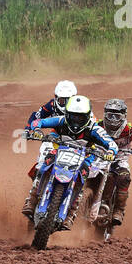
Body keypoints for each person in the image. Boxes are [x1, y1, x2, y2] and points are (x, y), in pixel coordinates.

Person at [24, 96, 118, 229]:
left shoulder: (94, 129)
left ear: (87, 116)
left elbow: (111, 143)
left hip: (84, 157)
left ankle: (70, 215)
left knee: (82, 178)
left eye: (80, 117)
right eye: (73, 116)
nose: (76, 120)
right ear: (67, 114)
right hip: (59, 152)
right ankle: (31, 201)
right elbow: (38, 122)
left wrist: (110, 152)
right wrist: (37, 130)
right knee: (44, 165)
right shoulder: (61, 120)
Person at [94, 99, 132, 225]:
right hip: (100, 157)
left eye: (116, 115)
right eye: (110, 115)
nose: (112, 119)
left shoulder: (128, 129)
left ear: (123, 115)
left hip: (120, 159)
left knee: (124, 177)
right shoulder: (98, 125)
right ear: (104, 114)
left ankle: (119, 210)